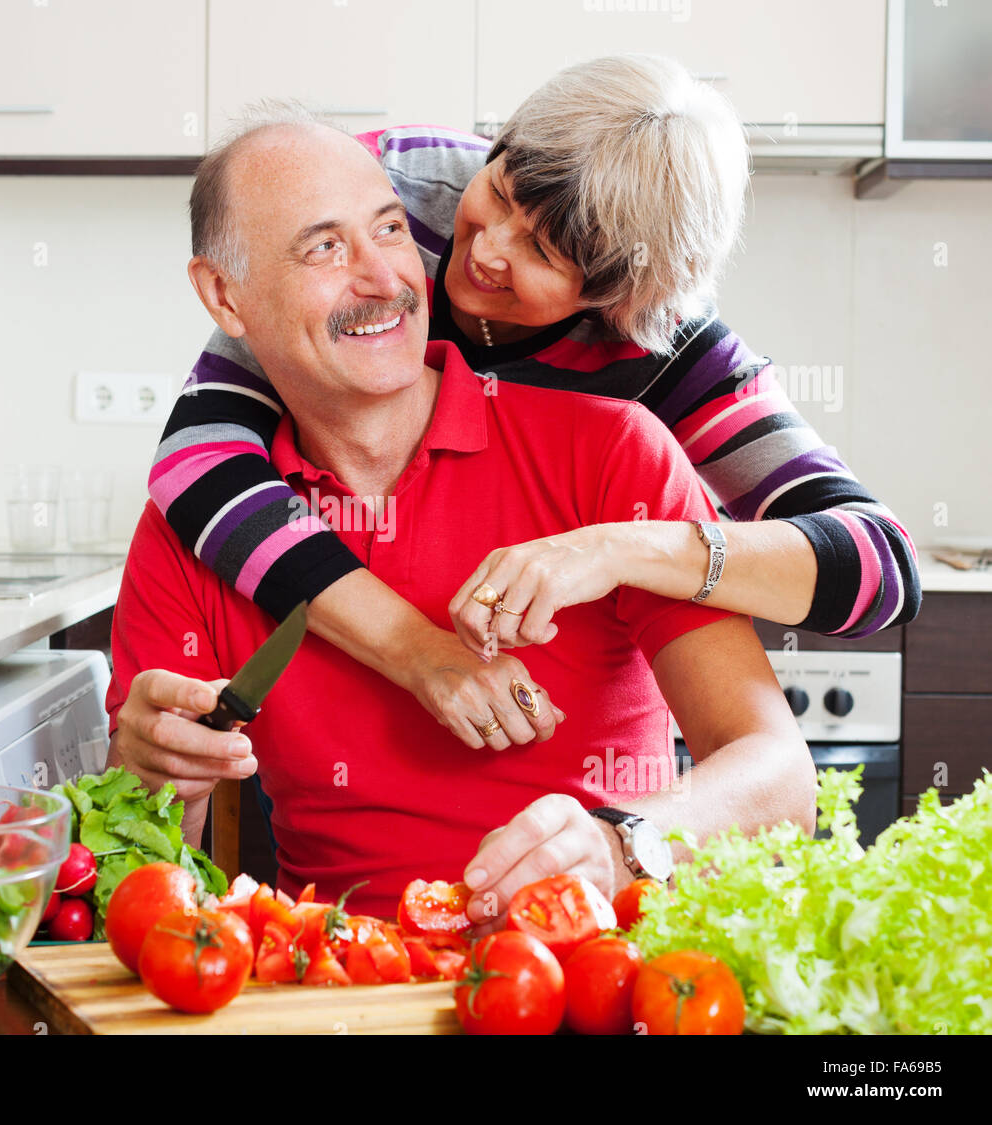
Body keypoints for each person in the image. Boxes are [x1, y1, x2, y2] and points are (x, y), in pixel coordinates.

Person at [106, 112, 814, 922]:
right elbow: (145, 881)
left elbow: (781, 778)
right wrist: (145, 769)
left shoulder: (611, 453)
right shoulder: (194, 530)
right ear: (225, 295)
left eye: (390, 229)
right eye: (325, 248)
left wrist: (624, 846)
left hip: (597, 973)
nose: (385, 278)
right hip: (354, 987)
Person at [149, 55, 921, 751]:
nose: (486, 250)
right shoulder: (395, 197)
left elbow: (879, 567)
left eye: (543, 253)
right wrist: (419, 652)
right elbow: (196, 460)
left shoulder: (663, 340)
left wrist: (620, 548)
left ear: (617, 297)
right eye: (500, 189)